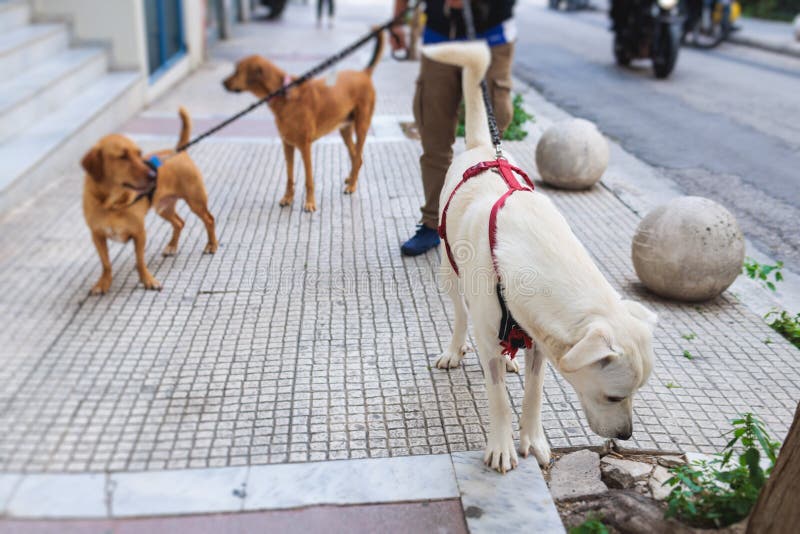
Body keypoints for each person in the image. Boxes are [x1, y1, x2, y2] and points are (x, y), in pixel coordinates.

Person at [390, 0, 517, 256]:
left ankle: (488, 222)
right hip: (440, 37)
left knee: (488, 140)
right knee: (433, 132)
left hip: (491, 36)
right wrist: (397, 22)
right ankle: (433, 222)